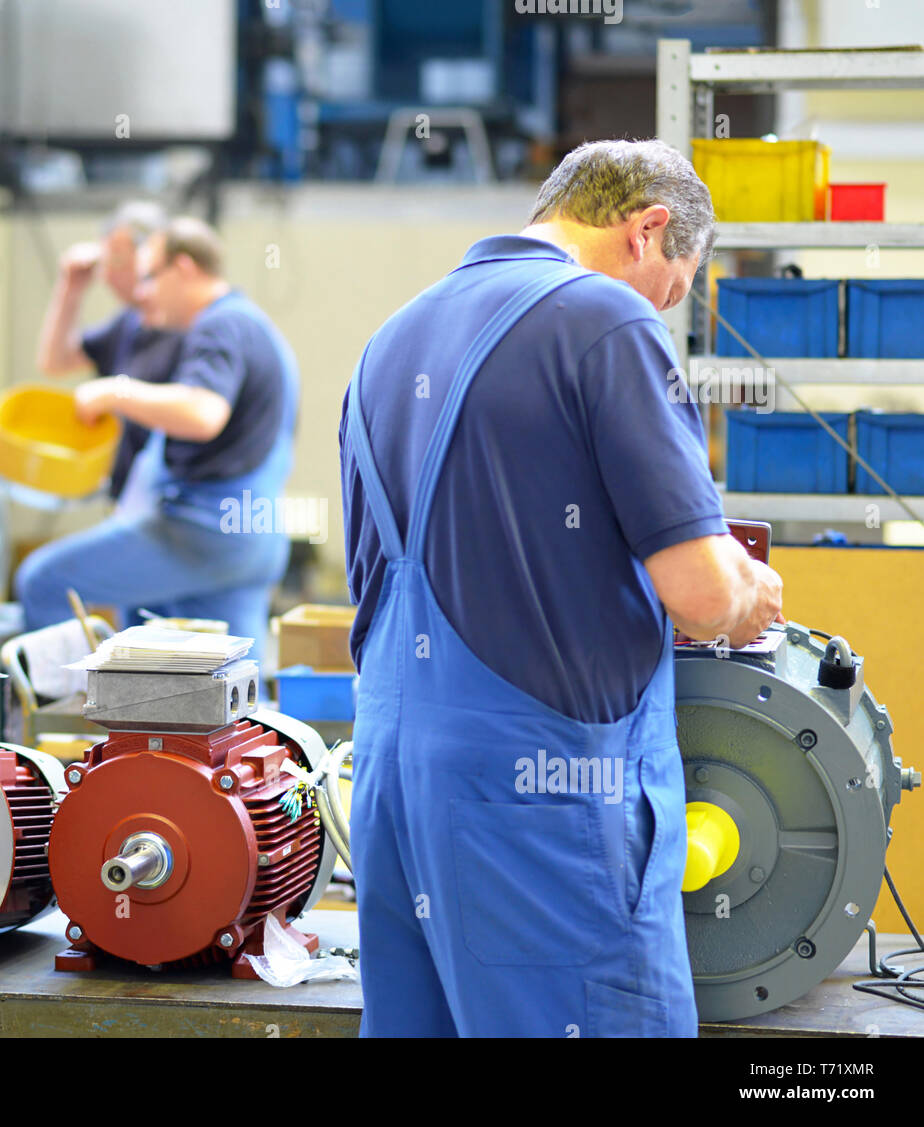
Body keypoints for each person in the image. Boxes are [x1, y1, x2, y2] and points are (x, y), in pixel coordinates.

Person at [339, 139, 784, 1037]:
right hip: (540, 798)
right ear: (649, 230)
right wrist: (753, 591)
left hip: (391, 783)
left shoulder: (392, 338)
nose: (667, 307)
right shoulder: (603, 320)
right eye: (677, 284)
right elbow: (701, 593)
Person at [15, 218, 298, 670]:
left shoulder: (218, 325)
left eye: (149, 276)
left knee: (44, 582)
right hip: (252, 540)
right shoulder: (254, 326)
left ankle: (65, 733)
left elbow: (203, 414)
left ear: (183, 268)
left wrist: (114, 391)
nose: (141, 292)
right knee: (226, 686)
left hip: (204, 532)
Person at [34, 200, 182, 504]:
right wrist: (70, 289)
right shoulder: (128, 324)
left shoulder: (189, 328)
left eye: (118, 262)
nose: (108, 276)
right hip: (127, 499)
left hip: (171, 501)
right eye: (106, 263)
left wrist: (117, 392)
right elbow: (54, 361)